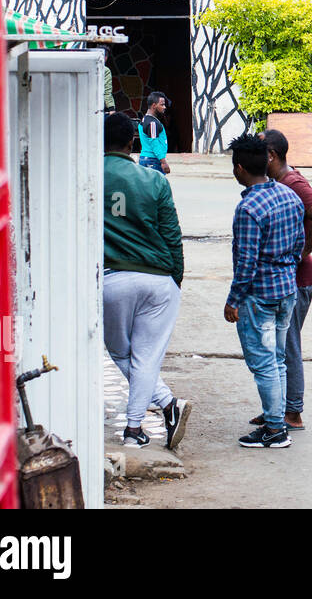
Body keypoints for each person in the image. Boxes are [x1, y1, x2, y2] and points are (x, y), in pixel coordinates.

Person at [101, 111, 191, 450]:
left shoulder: (86, 175)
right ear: (132, 142)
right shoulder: (155, 181)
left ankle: (142, 425)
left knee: (122, 354)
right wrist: (175, 279)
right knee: (146, 358)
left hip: (111, 280)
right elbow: (172, 235)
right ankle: (154, 414)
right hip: (157, 278)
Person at [224, 133, 306, 450]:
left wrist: (233, 301)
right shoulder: (290, 197)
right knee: (278, 360)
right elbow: (300, 245)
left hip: (260, 297)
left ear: (240, 168)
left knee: (264, 363)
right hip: (287, 291)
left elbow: (245, 263)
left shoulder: (248, 209)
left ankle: (274, 429)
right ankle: (278, 422)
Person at [256, 129, 312, 432]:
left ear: (271, 156)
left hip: (298, 278)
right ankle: (277, 408)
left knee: (288, 345)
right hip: (291, 276)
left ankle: (293, 412)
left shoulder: (293, 182)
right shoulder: (280, 181)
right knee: (276, 345)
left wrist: (299, 254)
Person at [138, 91, 171, 174]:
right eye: (162, 105)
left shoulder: (144, 119)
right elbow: (154, 142)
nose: (164, 107)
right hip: (152, 161)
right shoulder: (152, 123)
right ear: (154, 106)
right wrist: (163, 162)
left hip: (147, 159)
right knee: (156, 186)